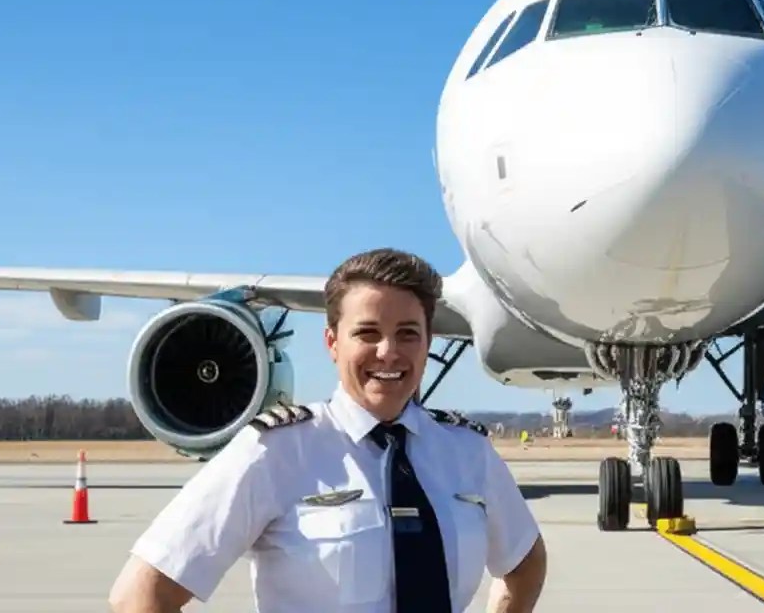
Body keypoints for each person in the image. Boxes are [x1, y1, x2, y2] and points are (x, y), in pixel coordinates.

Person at [109, 247, 547, 612]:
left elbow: (525, 564)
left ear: (428, 342)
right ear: (333, 343)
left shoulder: (466, 452)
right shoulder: (276, 451)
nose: (388, 352)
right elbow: (142, 595)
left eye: (408, 333)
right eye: (367, 333)